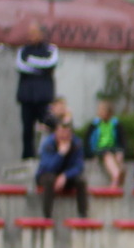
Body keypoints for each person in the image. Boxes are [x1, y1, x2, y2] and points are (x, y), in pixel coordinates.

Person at [14, 24, 58, 160]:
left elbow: (51, 63)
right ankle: (27, 155)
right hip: (27, 96)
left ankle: (48, 154)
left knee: (48, 125)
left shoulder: (51, 49)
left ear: (42, 34)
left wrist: (32, 62)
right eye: (30, 33)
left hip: (44, 96)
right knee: (27, 129)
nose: (32, 36)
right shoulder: (23, 50)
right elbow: (20, 66)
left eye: (35, 33)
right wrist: (40, 68)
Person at [36, 121, 89, 219]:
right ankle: (46, 217)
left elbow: (79, 166)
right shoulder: (48, 144)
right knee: (49, 180)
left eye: (67, 133)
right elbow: (48, 167)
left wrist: (65, 175)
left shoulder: (76, 144)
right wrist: (61, 154)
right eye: (61, 132)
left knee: (81, 181)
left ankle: (83, 216)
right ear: (56, 132)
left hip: (66, 177)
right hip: (47, 175)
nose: (64, 136)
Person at [86, 99, 127, 187]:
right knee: (107, 155)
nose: (99, 112)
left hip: (113, 148)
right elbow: (88, 142)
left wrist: (121, 151)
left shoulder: (116, 124)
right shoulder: (94, 124)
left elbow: (122, 141)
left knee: (118, 155)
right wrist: (91, 154)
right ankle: (116, 176)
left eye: (102, 110)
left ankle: (120, 172)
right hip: (99, 149)